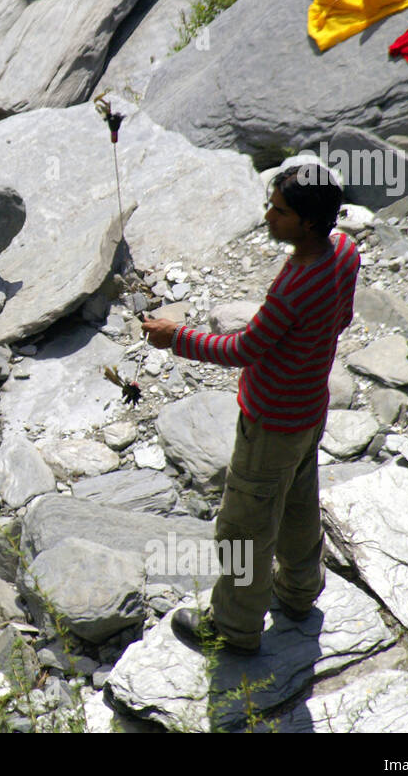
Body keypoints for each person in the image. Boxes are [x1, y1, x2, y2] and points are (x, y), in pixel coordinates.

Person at [141, 160, 360, 656]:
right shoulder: (344, 251)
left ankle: (235, 626)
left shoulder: (291, 287)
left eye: (279, 211)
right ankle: (300, 592)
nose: (268, 217)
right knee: (299, 505)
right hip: (309, 410)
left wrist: (175, 337)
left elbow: (243, 350)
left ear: (307, 223)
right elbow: (341, 317)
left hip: (270, 424)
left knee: (244, 528)